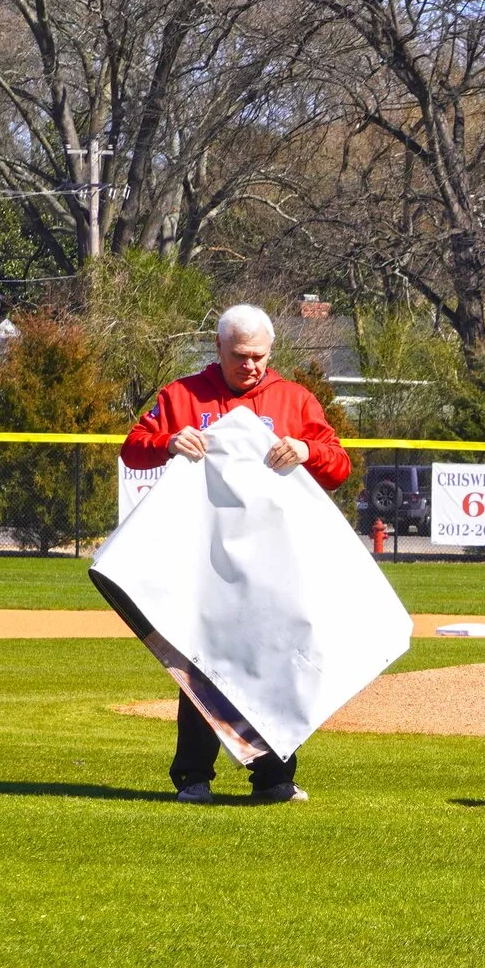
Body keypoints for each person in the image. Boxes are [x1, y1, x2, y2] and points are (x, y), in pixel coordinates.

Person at [120, 304, 351, 804]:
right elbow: (133, 448)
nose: (250, 366)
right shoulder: (183, 395)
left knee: (274, 662)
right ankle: (194, 778)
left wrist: (308, 452)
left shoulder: (294, 400)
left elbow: (339, 466)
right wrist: (167, 440)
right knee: (200, 664)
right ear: (219, 349)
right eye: (239, 356)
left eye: (259, 357)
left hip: (274, 561)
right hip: (200, 558)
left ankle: (274, 778)